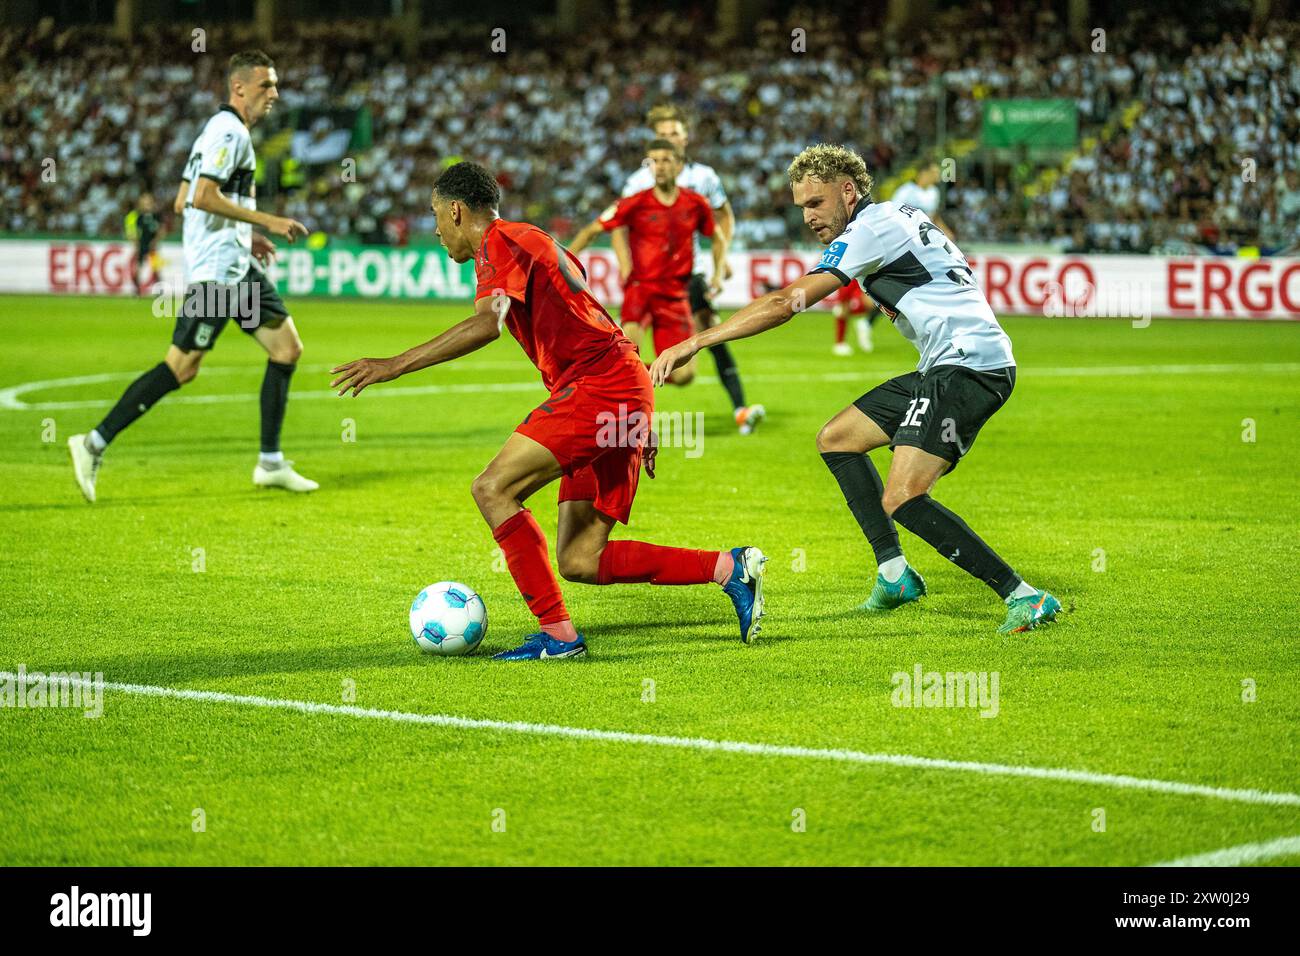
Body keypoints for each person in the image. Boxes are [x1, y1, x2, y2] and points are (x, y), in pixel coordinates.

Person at [330, 162, 767, 661]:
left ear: (456, 209)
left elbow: (485, 326)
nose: (434, 230)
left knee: (493, 488)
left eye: (435, 215)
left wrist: (394, 364)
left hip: (600, 389)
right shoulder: (534, 241)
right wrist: (638, 411)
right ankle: (730, 569)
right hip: (620, 387)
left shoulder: (500, 242)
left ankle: (558, 637)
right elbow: (596, 320)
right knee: (582, 558)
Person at [650, 144, 1059, 635]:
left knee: (903, 497)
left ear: (848, 190)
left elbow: (787, 302)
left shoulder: (871, 227)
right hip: (950, 361)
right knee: (838, 437)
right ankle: (895, 574)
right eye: (801, 206)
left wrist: (697, 340)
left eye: (815, 203)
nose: (807, 216)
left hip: (968, 365)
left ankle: (1024, 596)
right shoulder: (895, 215)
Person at [68, 50, 315, 503]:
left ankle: (270, 462)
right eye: (266, 85)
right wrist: (266, 222)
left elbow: (183, 198)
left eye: (276, 85)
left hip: (236, 264)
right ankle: (92, 444)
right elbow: (202, 196)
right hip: (220, 276)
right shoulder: (229, 132)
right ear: (238, 87)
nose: (274, 94)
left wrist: (245, 233)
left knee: (287, 348)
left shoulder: (212, 132)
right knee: (181, 368)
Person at [612, 104, 765, 434]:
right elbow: (619, 225)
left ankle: (740, 409)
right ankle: (623, 405)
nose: (671, 139)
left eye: (675, 133)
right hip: (649, 277)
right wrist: (626, 266)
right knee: (636, 347)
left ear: (685, 136)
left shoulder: (705, 177)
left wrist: (718, 265)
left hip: (690, 275)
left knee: (713, 334)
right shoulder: (639, 181)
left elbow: (724, 217)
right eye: (663, 135)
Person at [569, 139, 725, 387]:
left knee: (685, 376)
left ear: (678, 165)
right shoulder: (635, 202)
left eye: (665, 160)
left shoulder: (695, 203)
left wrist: (717, 274)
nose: (659, 166)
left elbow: (717, 238)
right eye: (653, 161)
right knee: (627, 357)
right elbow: (591, 230)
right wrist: (561, 264)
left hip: (675, 295)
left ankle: (629, 376)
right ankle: (623, 385)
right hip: (640, 291)